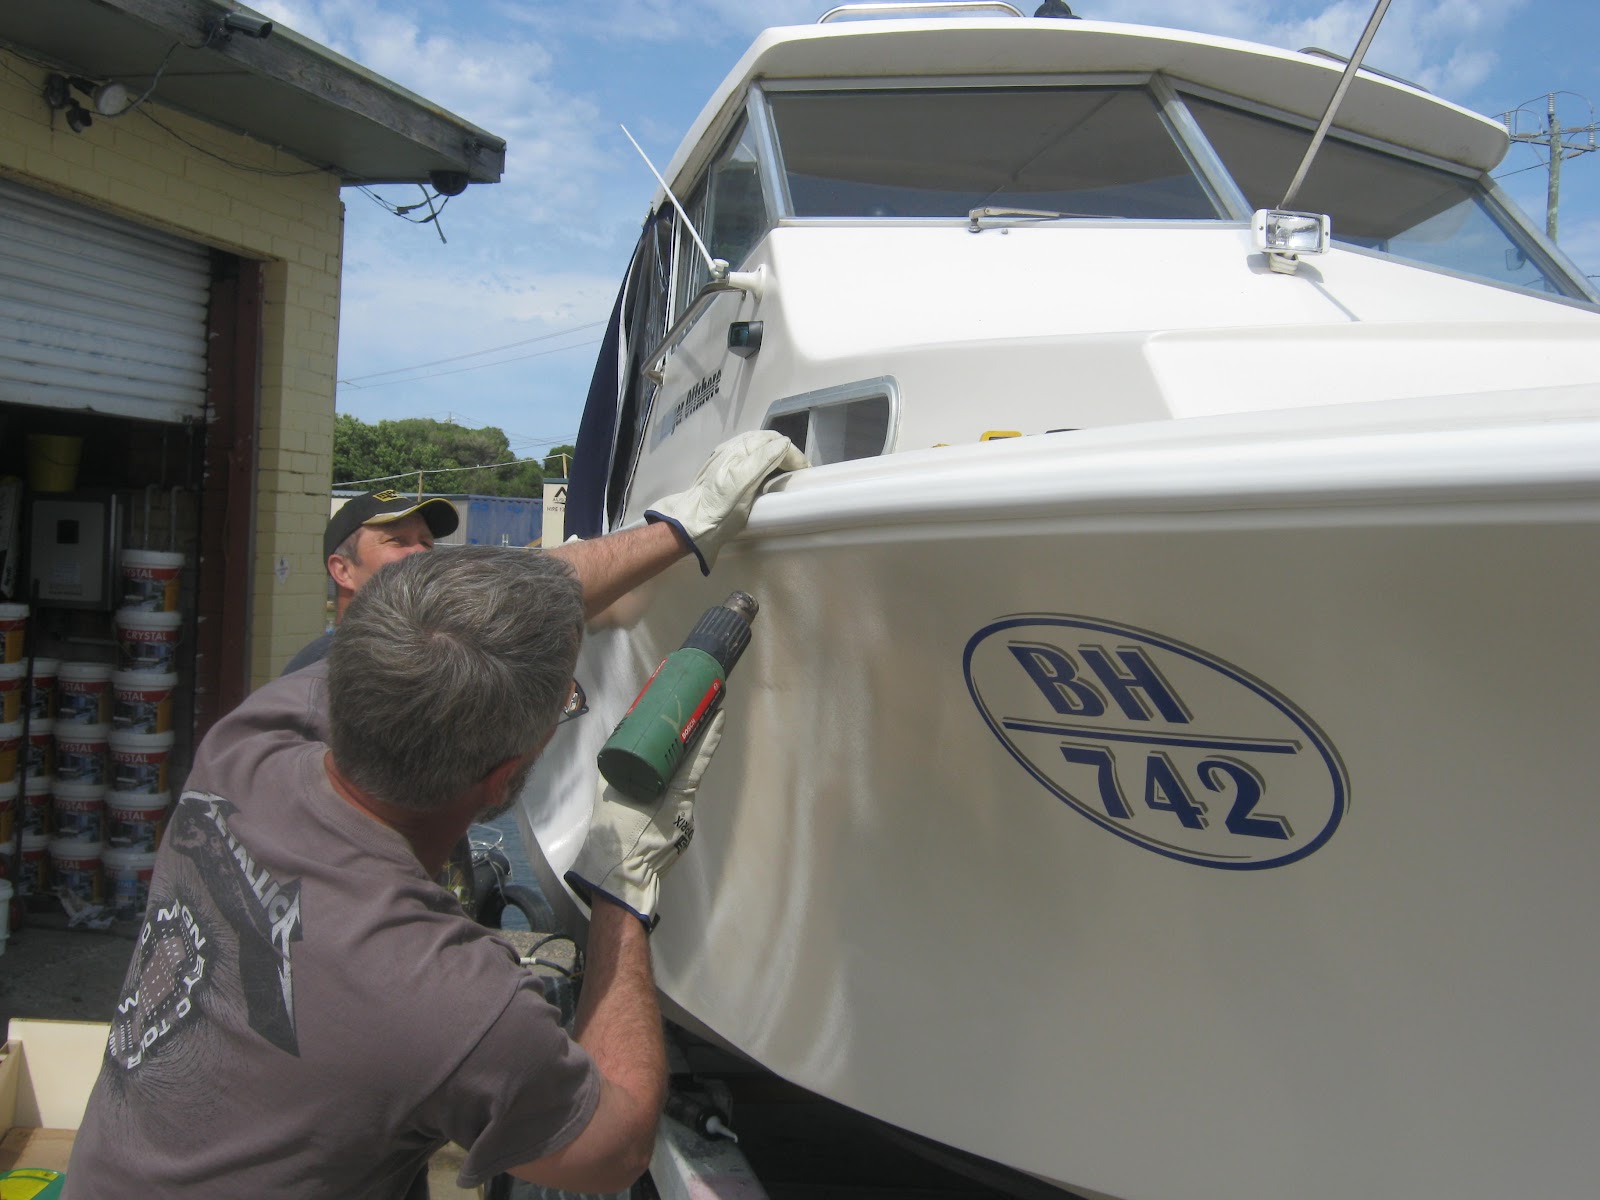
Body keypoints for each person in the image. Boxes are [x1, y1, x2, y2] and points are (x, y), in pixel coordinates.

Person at [65, 546, 726, 1197]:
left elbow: (459, 623)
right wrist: (620, 893)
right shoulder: (451, 999)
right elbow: (614, 1150)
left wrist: (677, 529)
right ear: (501, 779)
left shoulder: (245, 746)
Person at [284, 430, 808, 674]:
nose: (422, 555)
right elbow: (520, 597)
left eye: (427, 541)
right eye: (398, 543)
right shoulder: (331, 671)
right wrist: (690, 521)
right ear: (341, 570)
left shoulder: (417, 652)